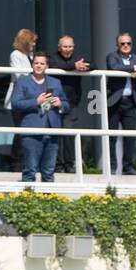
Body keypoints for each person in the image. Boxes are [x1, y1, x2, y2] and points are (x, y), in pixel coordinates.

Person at [10, 51, 68, 183]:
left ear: (47, 66)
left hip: (52, 131)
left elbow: (66, 104)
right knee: (30, 171)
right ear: (32, 65)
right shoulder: (22, 82)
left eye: (42, 63)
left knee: (48, 172)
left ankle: (48, 201)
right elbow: (15, 104)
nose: (39, 66)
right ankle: (27, 202)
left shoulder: (56, 82)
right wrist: (36, 102)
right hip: (31, 131)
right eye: (36, 63)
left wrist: (60, 105)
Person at [104, 32, 136, 175]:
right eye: (122, 43)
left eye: (128, 43)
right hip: (114, 102)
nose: (125, 46)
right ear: (117, 45)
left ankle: (128, 167)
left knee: (130, 137)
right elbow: (114, 67)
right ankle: (112, 168)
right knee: (111, 137)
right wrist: (134, 68)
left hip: (130, 102)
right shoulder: (112, 56)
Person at [49, 35, 90, 173]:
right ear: (59, 47)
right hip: (53, 101)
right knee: (54, 132)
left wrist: (83, 67)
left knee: (68, 132)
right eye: (65, 47)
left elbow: (94, 64)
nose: (68, 49)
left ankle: (68, 164)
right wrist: (74, 66)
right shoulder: (53, 57)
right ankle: (57, 164)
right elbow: (55, 65)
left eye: (70, 46)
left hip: (72, 102)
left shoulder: (78, 57)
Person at [1, 27, 36, 111]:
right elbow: (19, 75)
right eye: (32, 41)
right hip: (19, 93)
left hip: (31, 93)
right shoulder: (15, 54)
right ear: (25, 42)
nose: (34, 44)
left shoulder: (31, 55)